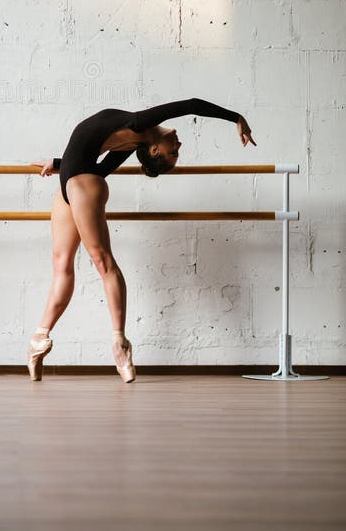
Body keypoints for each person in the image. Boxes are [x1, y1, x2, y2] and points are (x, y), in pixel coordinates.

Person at [28, 98, 256, 383]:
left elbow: (97, 170)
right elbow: (191, 104)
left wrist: (65, 165)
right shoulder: (137, 131)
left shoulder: (137, 132)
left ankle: (119, 342)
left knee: (102, 262)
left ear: (154, 149)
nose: (179, 146)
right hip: (71, 180)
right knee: (61, 265)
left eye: (173, 152)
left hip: (79, 183)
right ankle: (39, 339)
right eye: (176, 151)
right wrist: (235, 117)